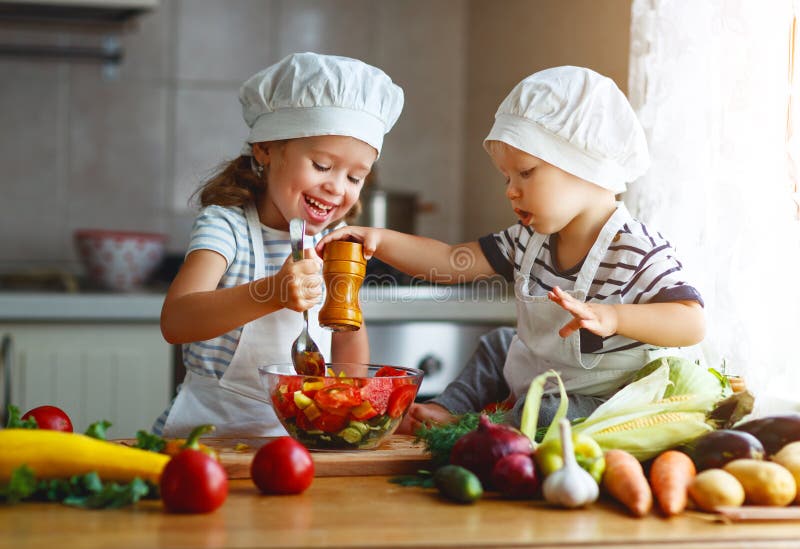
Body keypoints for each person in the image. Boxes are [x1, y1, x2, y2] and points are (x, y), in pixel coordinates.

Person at [317, 66, 705, 434]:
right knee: (497, 345)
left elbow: (691, 322)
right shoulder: (528, 240)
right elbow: (451, 262)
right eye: (507, 178)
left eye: (526, 173)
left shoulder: (635, 248)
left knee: (548, 411)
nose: (511, 191)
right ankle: (449, 409)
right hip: (545, 376)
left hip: (606, 399)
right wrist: (381, 240)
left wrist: (614, 317)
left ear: (584, 165)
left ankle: (478, 429)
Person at [154, 52, 404, 437]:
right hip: (206, 439)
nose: (337, 188)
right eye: (322, 166)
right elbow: (176, 320)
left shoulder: (333, 244)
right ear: (266, 149)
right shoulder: (227, 227)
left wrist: (351, 411)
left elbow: (347, 342)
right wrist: (272, 293)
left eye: (355, 178)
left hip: (300, 441)